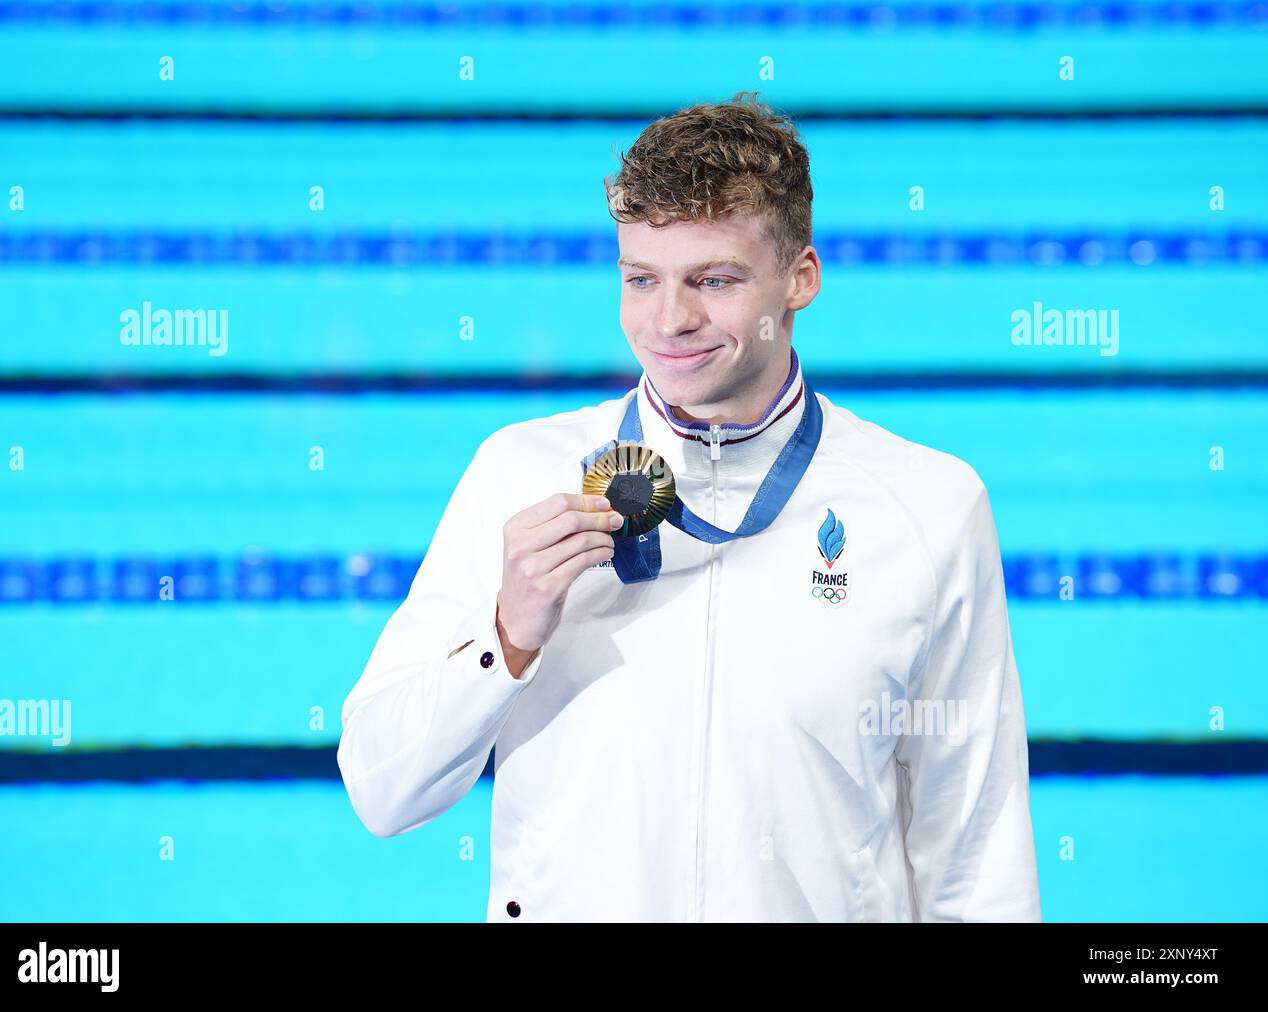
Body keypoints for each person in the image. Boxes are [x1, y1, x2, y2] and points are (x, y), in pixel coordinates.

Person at [337, 91, 1041, 922]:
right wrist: (507, 636)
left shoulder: (927, 505)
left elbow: (975, 849)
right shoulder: (517, 474)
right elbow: (383, 792)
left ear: (800, 279)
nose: (671, 320)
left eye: (714, 279)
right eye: (642, 279)